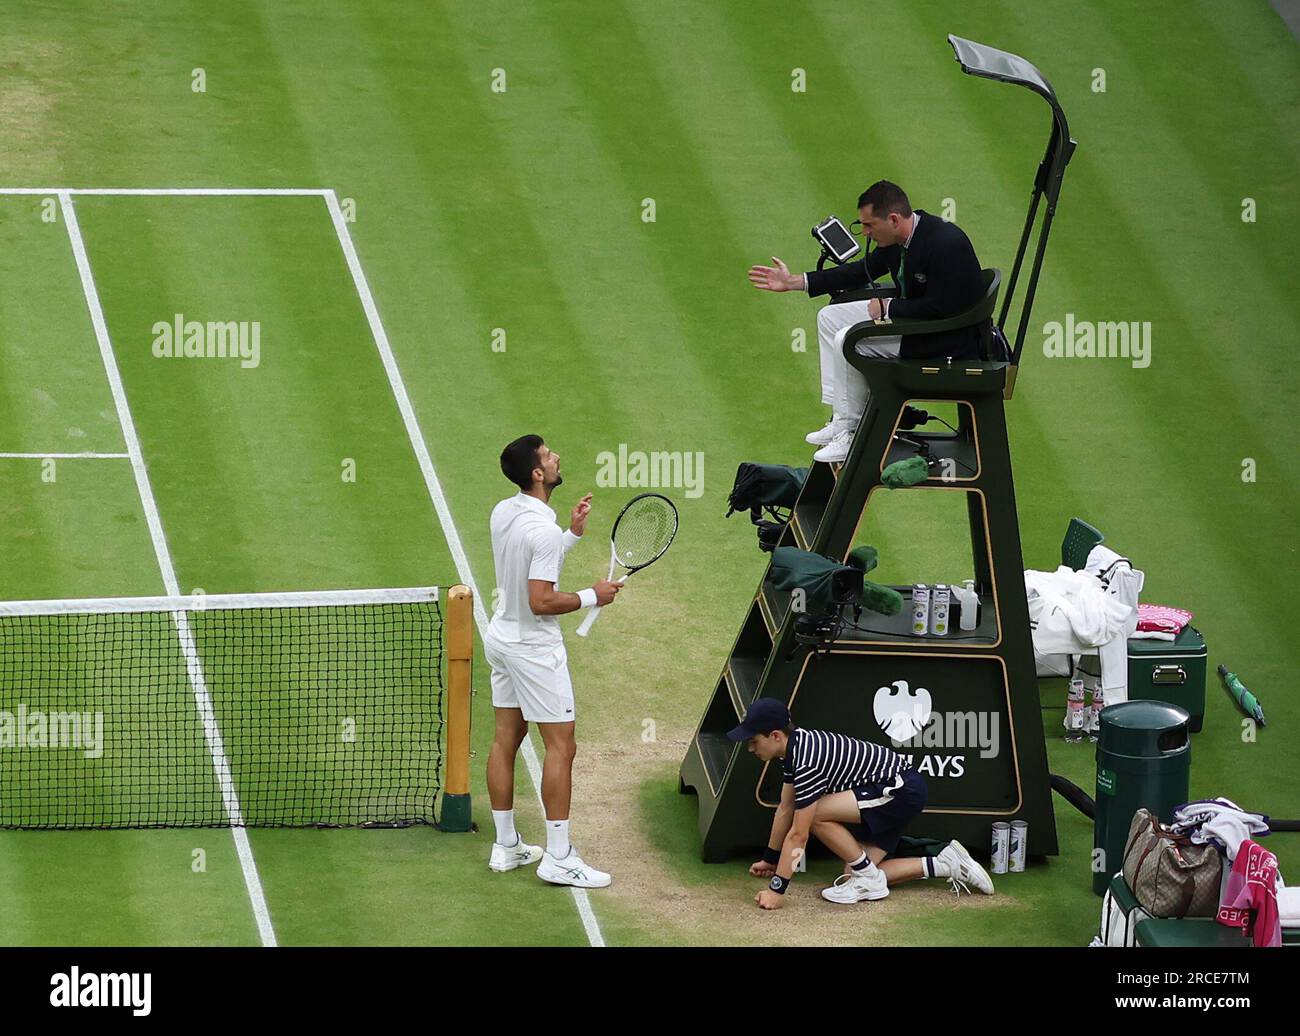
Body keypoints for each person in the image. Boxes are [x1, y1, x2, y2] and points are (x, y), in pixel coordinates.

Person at [748, 181, 985, 463]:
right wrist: (797, 281)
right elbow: (861, 271)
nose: (866, 233)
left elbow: (946, 307)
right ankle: (841, 419)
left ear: (894, 220)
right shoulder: (898, 241)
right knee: (829, 318)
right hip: (917, 323)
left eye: (869, 225)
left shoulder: (946, 244)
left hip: (947, 339)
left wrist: (888, 307)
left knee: (848, 339)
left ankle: (851, 430)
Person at [483, 434, 621, 888]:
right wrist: (591, 596)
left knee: (507, 739)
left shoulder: (506, 511)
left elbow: (529, 560)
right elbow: (541, 599)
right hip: (534, 651)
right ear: (538, 474)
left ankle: (506, 847)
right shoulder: (539, 528)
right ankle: (559, 856)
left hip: (501, 636)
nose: (557, 455)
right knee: (562, 747)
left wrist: (571, 535)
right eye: (548, 456)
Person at [727, 698, 995, 909]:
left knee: (815, 814)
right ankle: (948, 864)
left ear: (775, 736)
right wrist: (770, 859)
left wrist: (777, 889)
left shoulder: (806, 760)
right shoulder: (794, 751)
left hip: (899, 789)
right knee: (855, 872)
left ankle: (868, 875)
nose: (751, 748)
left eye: (754, 741)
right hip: (898, 790)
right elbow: (785, 807)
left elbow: (799, 834)